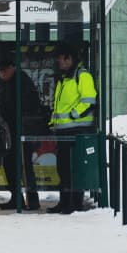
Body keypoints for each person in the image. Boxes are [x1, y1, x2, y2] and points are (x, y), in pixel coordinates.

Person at [47, 41, 97, 214]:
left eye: (60, 59)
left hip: (77, 131)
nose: (58, 63)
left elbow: (89, 100)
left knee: (74, 169)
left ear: (69, 59)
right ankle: (65, 201)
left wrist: (73, 115)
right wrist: (53, 123)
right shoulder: (65, 78)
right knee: (63, 169)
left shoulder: (82, 76)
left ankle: (74, 203)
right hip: (63, 131)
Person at [0, 57, 45, 211]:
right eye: (0, 69)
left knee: (25, 166)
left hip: (21, 130)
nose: (2, 72)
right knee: (9, 165)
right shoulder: (2, 83)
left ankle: (32, 200)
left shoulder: (22, 82)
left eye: (5, 68)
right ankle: (16, 197)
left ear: (13, 67)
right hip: (7, 131)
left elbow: (28, 105)